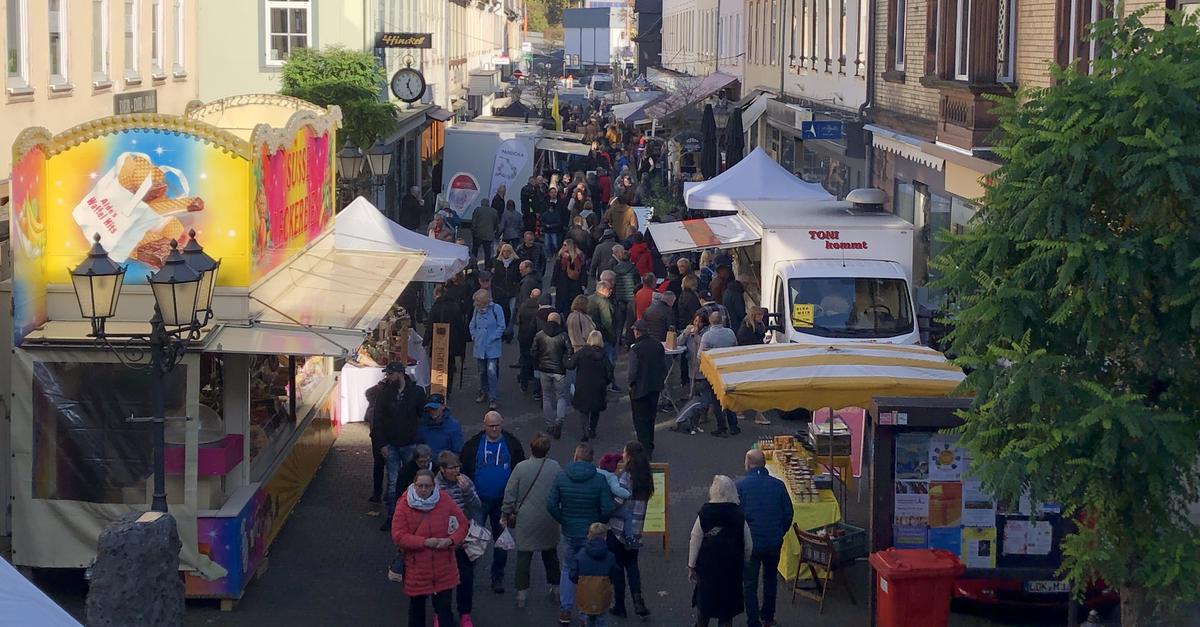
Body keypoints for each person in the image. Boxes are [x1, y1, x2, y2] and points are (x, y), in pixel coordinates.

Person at [546, 443, 616, 626]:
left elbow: (551, 504)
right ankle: (587, 613)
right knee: (589, 573)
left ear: (575, 456)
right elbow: (608, 507)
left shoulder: (561, 477)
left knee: (568, 568)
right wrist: (598, 521)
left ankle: (565, 610)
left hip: (569, 530)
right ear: (592, 459)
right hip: (589, 532)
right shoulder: (599, 480)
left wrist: (563, 519)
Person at [392, 469, 469, 627]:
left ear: (434, 486)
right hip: (418, 569)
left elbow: (463, 524)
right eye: (420, 486)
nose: (423, 489)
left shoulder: (445, 500)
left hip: (444, 568)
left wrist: (450, 541)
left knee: (444, 610)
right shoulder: (404, 504)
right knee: (417, 610)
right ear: (414, 485)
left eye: (427, 486)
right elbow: (398, 536)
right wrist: (425, 542)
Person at [460, 411, 526, 593]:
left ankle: (498, 577)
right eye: (491, 426)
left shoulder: (512, 443)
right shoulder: (473, 445)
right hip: (477, 501)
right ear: (484, 425)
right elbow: (463, 468)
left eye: (497, 425)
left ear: (502, 424)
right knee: (473, 539)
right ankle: (468, 575)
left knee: (502, 540)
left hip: (502, 502)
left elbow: (520, 468)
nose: (495, 429)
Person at [501, 433, 563, 609]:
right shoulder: (555, 467)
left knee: (524, 556)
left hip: (526, 517)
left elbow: (510, 493)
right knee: (550, 554)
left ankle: (522, 594)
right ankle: (556, 588)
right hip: (549, 517)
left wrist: (505, 513)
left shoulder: (521, 468)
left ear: (531, 447)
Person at [736, 449, 794, 627]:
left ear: (748, 463)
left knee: (750, 584)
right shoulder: (779, 485)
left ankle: (753, 621)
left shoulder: (740, 486)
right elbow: (788, 514)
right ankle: (768, 617)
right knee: (770, 579)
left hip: (751, 543)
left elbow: (736, 516)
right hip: (773, 542)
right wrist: (779, 532)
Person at [688, 475, 752, 627]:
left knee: (704, 608)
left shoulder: (705, 511)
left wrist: (691, 565)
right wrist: (745, 561)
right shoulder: (738, 514)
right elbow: (748, 544)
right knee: (726, 613)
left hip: (708, 567)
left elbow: (695, 539)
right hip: (731, 568)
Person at [374, 362, 429, 530]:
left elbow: (423, 417)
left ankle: (412, 516)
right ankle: (393, 516)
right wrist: (382, 444)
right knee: (393, 482)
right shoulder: (384, 394)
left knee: (413, 481)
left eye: (390, 374)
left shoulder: (417, 392)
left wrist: (419, 438)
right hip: (391, 444)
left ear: (399, 373)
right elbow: (377, 420)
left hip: (410, 444)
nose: (388, 377)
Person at [435, 451, 484, 627]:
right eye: (452, 468)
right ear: (442, 469)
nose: (456, 471)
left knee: (466, 577)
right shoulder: (435, 485)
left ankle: (465, 613)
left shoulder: (466, 482)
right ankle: (441, 613)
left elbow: (477, 507)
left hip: (464, 538)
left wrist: (467, 492)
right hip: (443, 540)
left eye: (458, 467)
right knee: (442, 580)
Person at [606, 441, 653, 618]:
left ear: (629, 455)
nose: (623, 455)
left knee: (617, 567)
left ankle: (619, 605)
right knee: (632, 566)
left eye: (625, 452)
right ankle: (638, 600)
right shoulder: (646, 477)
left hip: (618, 530)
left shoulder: (626, 476)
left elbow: (619, 501)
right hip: (635, 530)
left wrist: (606, 508)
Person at [565, 330, 614, 442]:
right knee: (595, 410)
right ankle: (592, 429)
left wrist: (565, 358)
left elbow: (570, 365)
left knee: (583, 411)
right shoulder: (603, 355)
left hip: (583, 385)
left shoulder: (582, 352)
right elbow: (609, 371)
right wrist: (606, 382)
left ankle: (585, 430)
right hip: (598, 387)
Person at [532, 311, 574, 439]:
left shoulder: (540, 335)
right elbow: (570, 351)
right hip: (559, 370)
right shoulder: (563, 335)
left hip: (544, 369)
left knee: (547, 397)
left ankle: (549, 423)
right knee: (560, 396)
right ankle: (559, 419)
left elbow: (533, 351)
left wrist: (538, 362)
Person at [627, 320, 667, 457]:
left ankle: (643, 449)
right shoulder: (658, 345)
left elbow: (633, 371)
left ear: (637, 332)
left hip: (639, 389)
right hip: (655, 387)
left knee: (640, 421)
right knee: (650, 419)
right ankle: (649, 445)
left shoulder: (635, 348)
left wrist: (630, 384)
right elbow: (663, 366)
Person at [699, 311, 740, 437]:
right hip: (729, 370)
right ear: (721, 320)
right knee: (729, 396)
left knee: (716, 399)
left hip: (714, 371)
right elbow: (736, 347)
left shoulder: (707, 336)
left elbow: (700, 355)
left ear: (710, 321)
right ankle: (734, 426)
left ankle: (722, 427)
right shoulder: (730, 333)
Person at [571, 523, 617, 627]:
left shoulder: (580, 555)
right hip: (602, 595)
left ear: (589, 535)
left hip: (585, 595)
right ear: (605, 537)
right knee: (601, 618)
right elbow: (614, 575)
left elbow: (573, 576)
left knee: (586, 617)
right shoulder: (610, 556)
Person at [426, 285, 468, 397]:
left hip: (439, 340)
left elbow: (430, 325)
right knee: (450, 365)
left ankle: (438, 387)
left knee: (438, 364)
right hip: (453, 341)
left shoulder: (436, 307)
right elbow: (460, 324)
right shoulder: (454, 306)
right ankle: (447, 389)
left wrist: (426, 341)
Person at [468, 289, 505, 409]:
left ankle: (492, 397)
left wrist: (492, 337)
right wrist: (474, 335)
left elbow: (501, 326)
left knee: (491, 372)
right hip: (480, 346)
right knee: (482, 372)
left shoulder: (496, 309)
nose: (476, 304)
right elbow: (472, 324)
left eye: (478, 302)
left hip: (492, 347)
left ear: (485, 301)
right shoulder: (476, 310)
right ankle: (483, 392)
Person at [491, 244, 522, 336]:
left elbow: (519, 276)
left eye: (508, 251)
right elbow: (495, 278)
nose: (506, 253)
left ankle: (509, 332)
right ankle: (501, 331)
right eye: (504, 251)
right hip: (500, 292)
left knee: (512, 312)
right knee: (501, 313)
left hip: (513, 291)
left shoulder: (517, 262)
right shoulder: (497, 262)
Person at [517, 288, 543, 395]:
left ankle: (524, 384)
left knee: (524, 360)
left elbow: (518, 320)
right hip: (535, 337)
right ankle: (536, 388)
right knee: (536, 361)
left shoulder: (523, 306)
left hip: (523, 337)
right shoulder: (539, 309)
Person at [610, 245, 638, 341]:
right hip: (630, 297)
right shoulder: (633, 268)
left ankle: (618, 340)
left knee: (620, 321)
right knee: (629, 320)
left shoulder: (615, 269)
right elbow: (637, 282)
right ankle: (628, 340)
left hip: (619, 297)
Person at [553, 239, 588, 315]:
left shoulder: (578, 257)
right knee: (564, 306)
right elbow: (556, 271)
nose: (563, 246)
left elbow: (583, 272)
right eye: (563, 245)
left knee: (573, 306)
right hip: (564, 285)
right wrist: (553, 283)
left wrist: (583, 284)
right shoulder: (561, 257)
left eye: (565, 245)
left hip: (574, 285)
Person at [587, 280, 618, 365]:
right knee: (609, 359)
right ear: (603, 289)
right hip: (604, 335)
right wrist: (612, 337)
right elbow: (608, 322)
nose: (611, 291)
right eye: (609, 289)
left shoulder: (589, 299)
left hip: (591, 334)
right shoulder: (604, 303)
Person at [471, 197, 499, 263]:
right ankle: (487, 265)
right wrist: (494, 230)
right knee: (487, 251)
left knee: (475, 250)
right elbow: (496, 223)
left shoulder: (477, 210)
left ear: (481, 203)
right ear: (488, 204)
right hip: (489, 234)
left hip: (478, 234)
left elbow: (474, 222)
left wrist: (473, 231)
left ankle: (473, 264)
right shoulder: (494, 211)